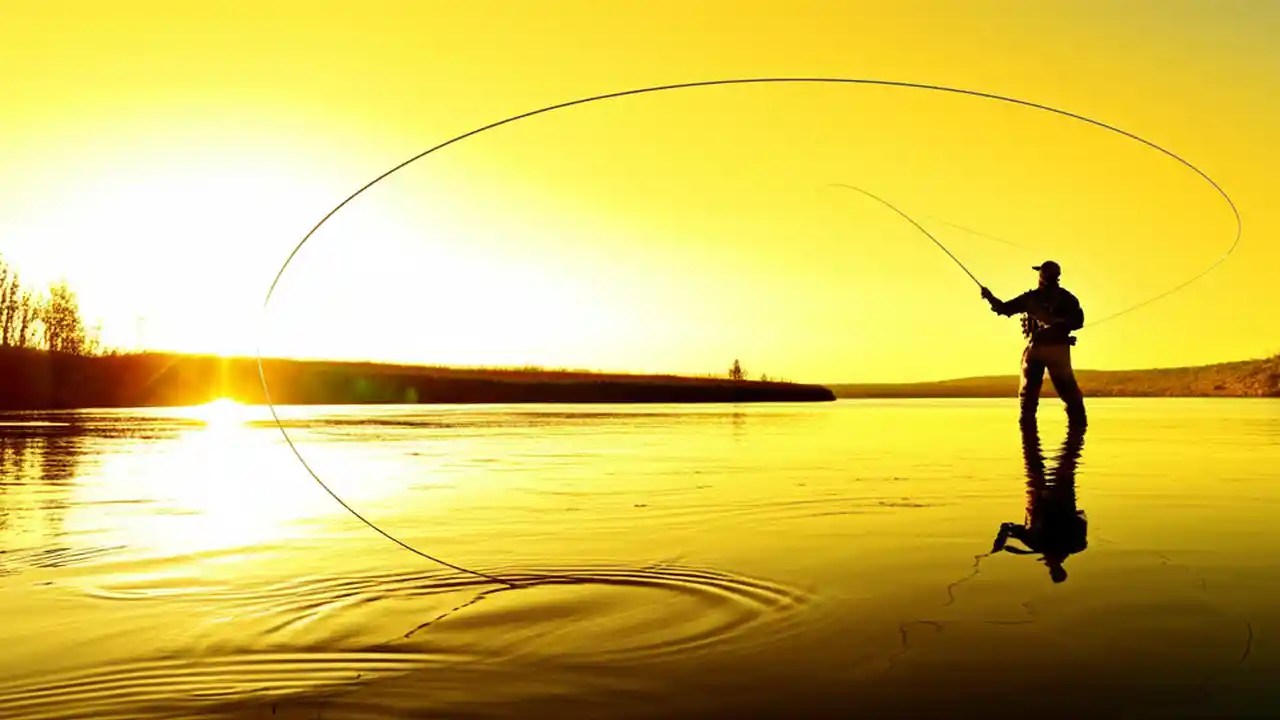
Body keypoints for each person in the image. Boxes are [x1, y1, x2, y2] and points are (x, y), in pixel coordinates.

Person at [981, 261, 1086, 426]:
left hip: (1035, 350)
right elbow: (1079, 322)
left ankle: (1029, 439)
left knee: (1028, 401)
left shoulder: (1030, 298)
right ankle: (1077, 436)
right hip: (1059, 351)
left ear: (1041, 276)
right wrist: (1061, 323)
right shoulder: (1068, 298)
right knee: (1071, 398)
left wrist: (989, 297)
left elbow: (1003, 308)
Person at [992, 421, 1088, 583]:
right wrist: (1000, 543)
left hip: (1059, 498)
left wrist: (1003, 540)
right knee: (1035, 456)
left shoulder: (1075, 545)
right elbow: (1009, 527)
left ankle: (1074, 428)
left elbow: (1081, 519)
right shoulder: (1040, 544)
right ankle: (1072, 426)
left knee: (1064, 457)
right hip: (1043, 499)